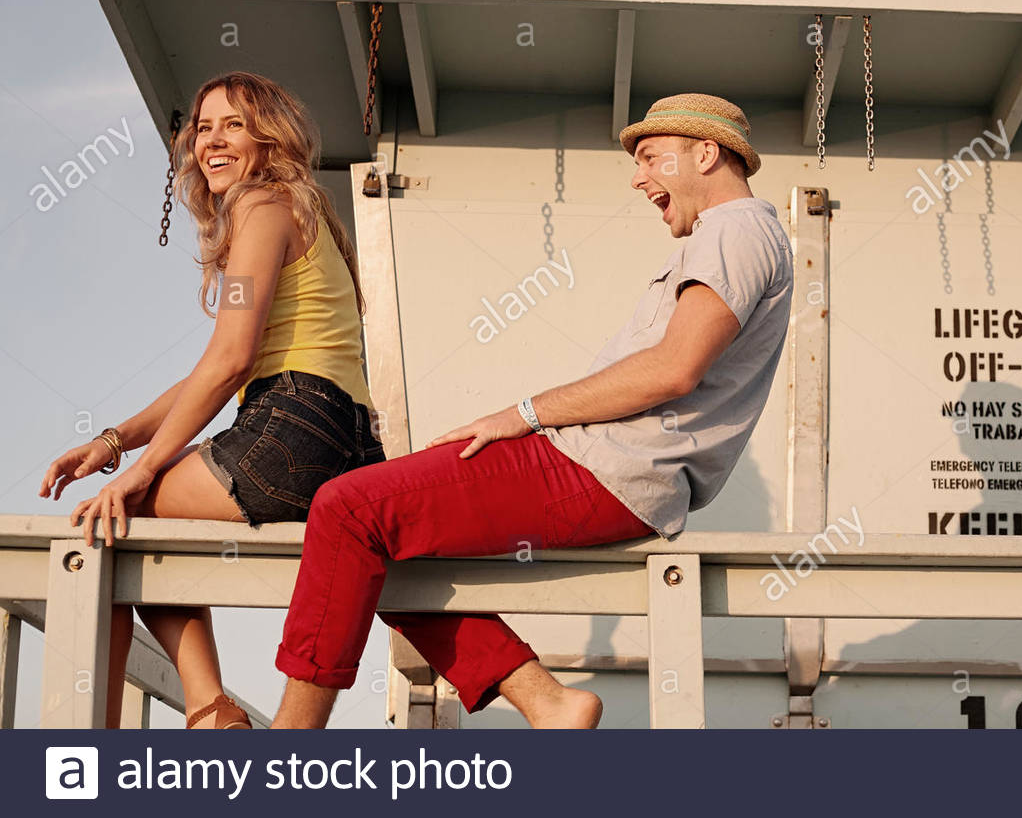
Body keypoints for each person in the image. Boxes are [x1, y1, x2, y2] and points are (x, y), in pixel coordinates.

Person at [271, 93, 793, 728]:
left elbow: (674, 367)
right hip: (608, 469)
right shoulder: (737, 234)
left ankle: (291, 748)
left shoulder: (735, 229)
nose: (639, 176)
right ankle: (549, 704)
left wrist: (524, 413)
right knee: (391, 538)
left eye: (653, 158)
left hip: (602, 469)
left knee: (348, 508)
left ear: (707, 154)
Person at [38, 72, 385, 728]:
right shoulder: (296, 209)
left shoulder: (262, 206)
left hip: (296, 427)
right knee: (132, 506)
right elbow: (215, 364)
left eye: (234, 124)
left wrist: (139, 474)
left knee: (114, 519)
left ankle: (153, 728)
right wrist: (114, 442)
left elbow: (230, 363)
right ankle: (210, 712)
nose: (213, 141)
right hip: (353, 445)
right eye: (203, 127)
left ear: (268, 136)